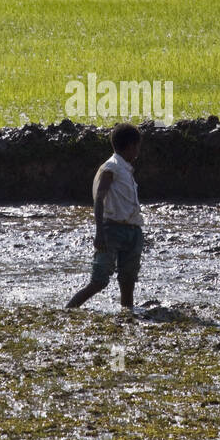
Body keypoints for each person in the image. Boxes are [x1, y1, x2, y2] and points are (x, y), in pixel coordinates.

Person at [65, 123, 144, 313]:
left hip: (132, 230)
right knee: (99, 280)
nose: (138, 151)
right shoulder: (112, 167)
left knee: (128, 280)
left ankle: (128, 313)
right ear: (130, 146)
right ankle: (68, 310)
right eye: (137, 146)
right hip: (113, 230)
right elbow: (99, 198)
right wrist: (99, 232)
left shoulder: (125, 169)